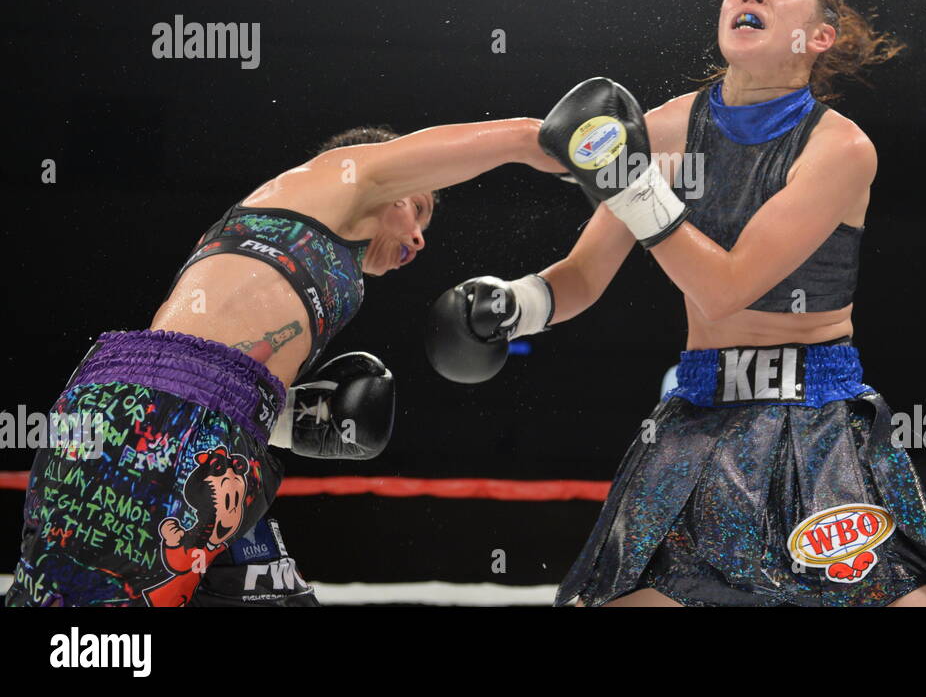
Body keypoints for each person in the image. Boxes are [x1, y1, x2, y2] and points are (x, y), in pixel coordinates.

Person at [430, 0, 926, 606]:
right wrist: (516, 304)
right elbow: (585, 274)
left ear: (819, 35)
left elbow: (725, 287)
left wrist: (631, 185)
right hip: (699, 412)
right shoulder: (668, 128)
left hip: (821, 417)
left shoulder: (841, 147)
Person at [6, 117, 561, 606]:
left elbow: (225, 355)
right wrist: (550, 144)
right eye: (416, 206)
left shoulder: (313, 254)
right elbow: (195, 371)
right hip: (162, 416)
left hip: (209, 431)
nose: (418, 235)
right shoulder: (339, 174)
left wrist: (290, 421)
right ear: (389, 181)